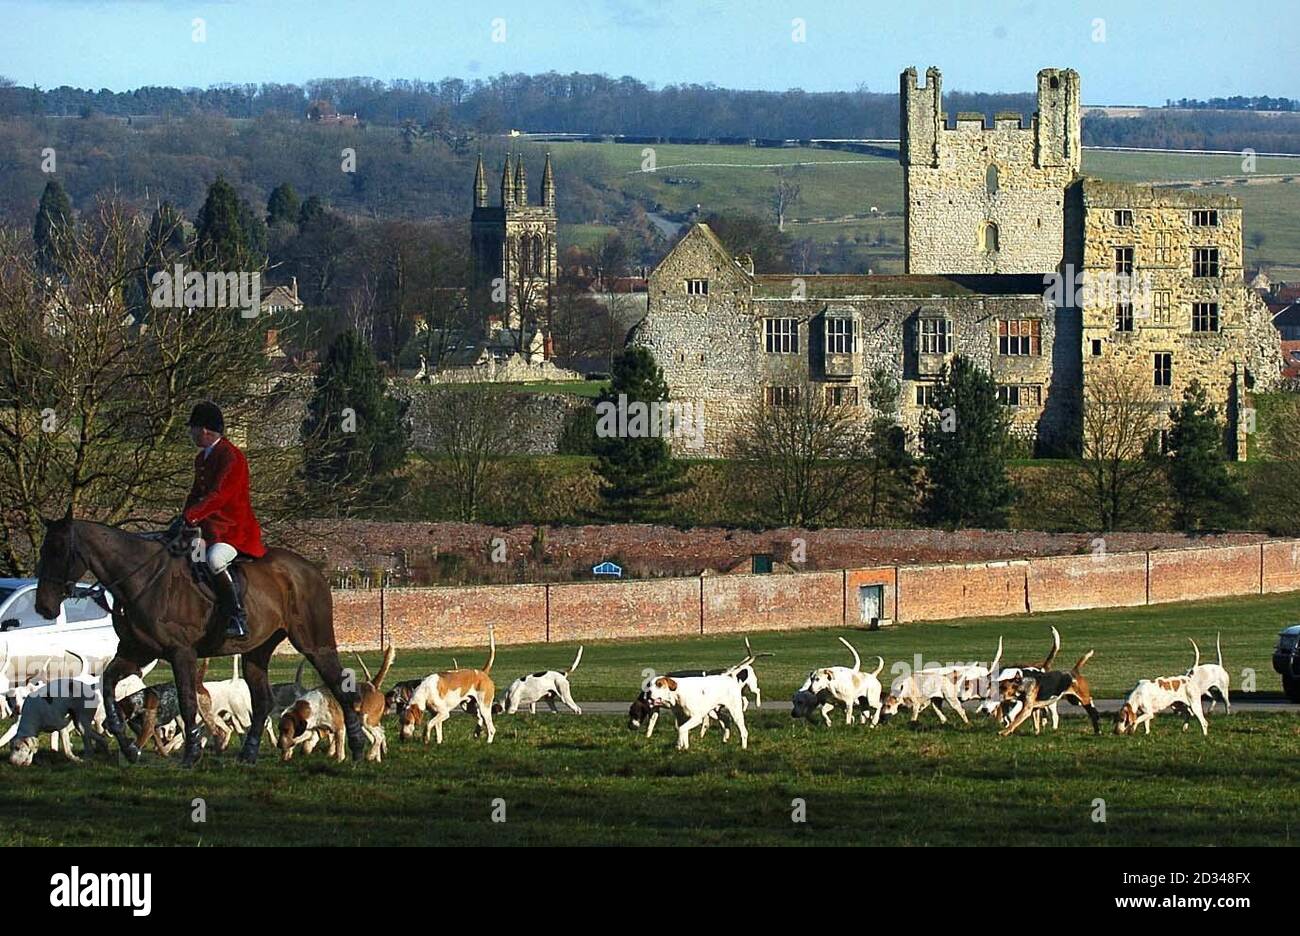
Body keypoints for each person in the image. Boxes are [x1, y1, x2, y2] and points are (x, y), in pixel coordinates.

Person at [170, 402, 265, 637]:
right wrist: (183, 518)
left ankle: (237, 616)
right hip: (209, 530)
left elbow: (219, 496)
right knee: (179, 553)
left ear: (204, 430)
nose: (190, 433)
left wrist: (191, 517)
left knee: (213, 560)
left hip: (233, 530)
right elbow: (196, 494)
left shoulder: (231, 456)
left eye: (192, 429)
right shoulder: (202, 458)